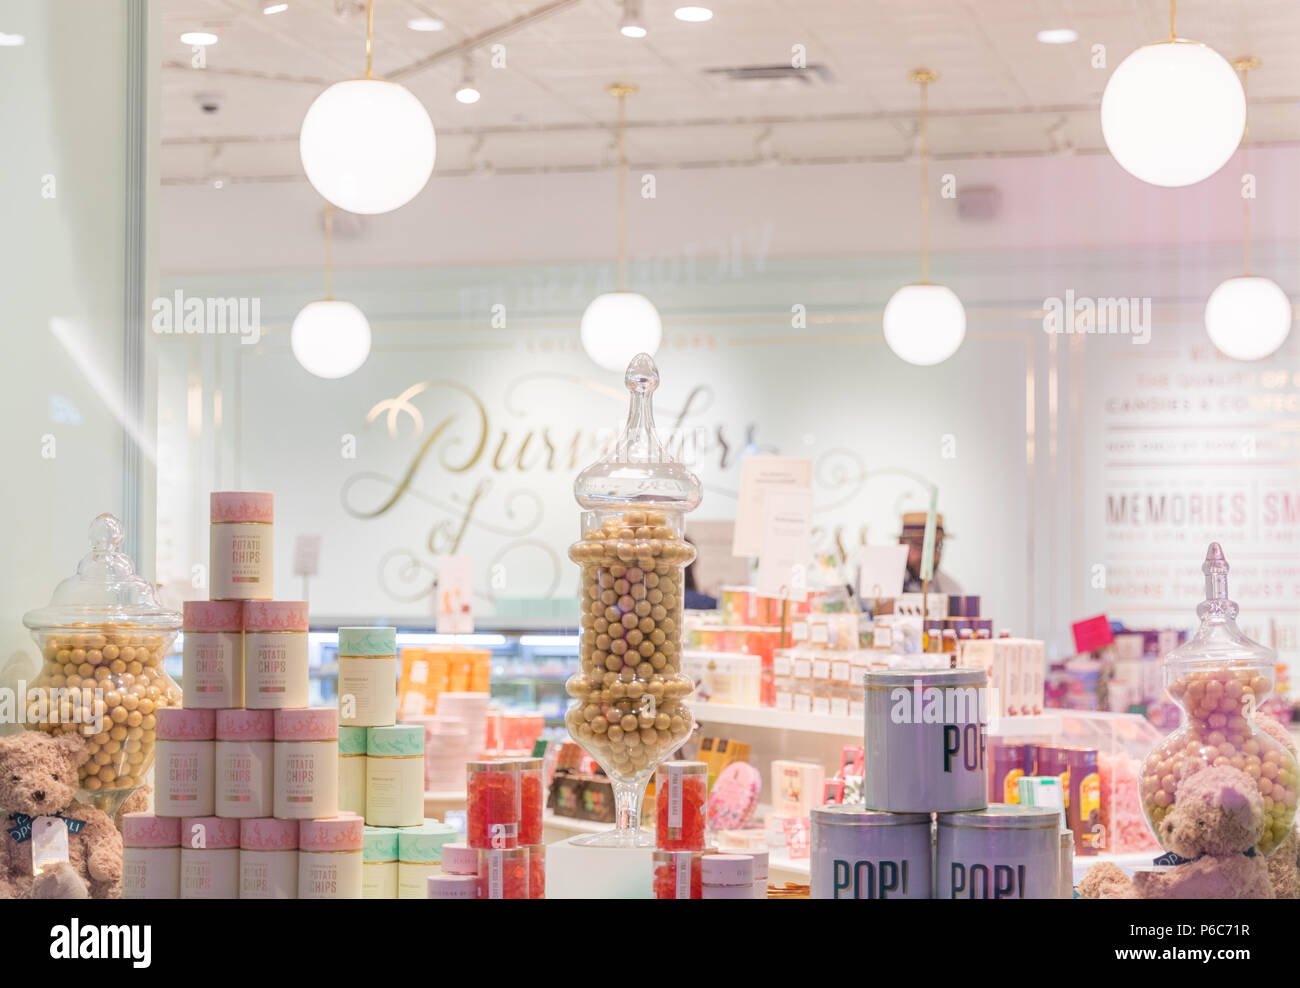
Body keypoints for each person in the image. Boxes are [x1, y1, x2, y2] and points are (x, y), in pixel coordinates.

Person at [899, 511, 963, 594]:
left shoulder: (952, 590)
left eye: (935, 547)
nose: (928, 556)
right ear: (901, 543)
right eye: (919, 545)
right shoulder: (880, 583)